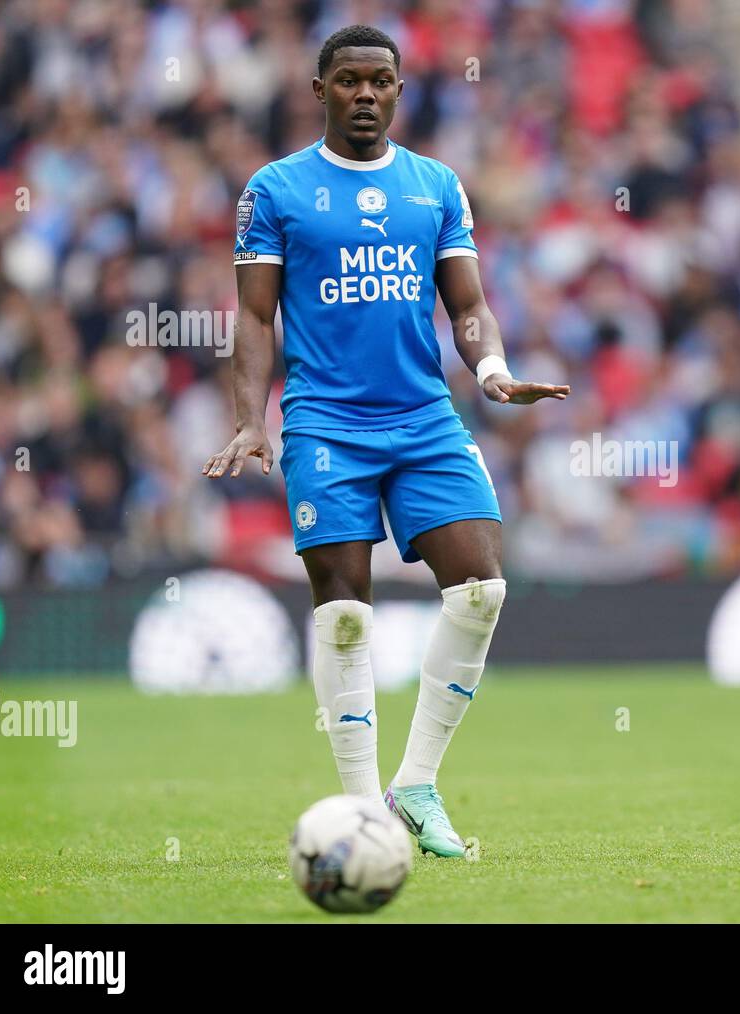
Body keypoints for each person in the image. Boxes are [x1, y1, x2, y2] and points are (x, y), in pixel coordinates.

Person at [203, 25, 568, 858]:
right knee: (342, 614)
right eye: (348, 81)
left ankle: (416, 782)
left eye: (381, 81)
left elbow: (467, 306)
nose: (365, 94)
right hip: (327, 422)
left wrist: (494, 370)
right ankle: (364, 811)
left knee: (481, 590)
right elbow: (255, 317)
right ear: (320, 88)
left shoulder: (436, 186)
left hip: (424, 416)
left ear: (400, 91)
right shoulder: (276, 190)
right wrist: (250, 420)